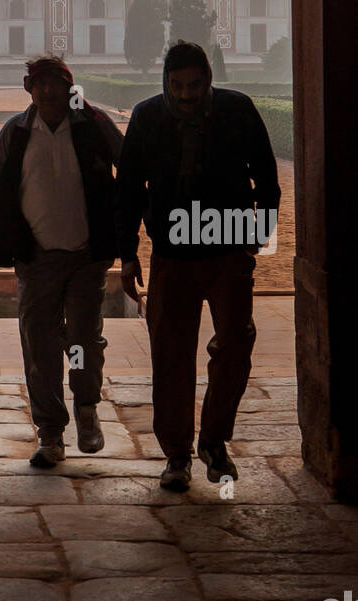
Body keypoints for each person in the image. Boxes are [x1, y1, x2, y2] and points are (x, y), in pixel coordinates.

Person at [116, 40, 281, 492]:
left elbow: (266, 176)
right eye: (177, 86)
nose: (186, 94)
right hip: (172, 255)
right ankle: (176, 455)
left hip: (227, 250)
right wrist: (128, 253)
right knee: (171, 354)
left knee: (234, 344)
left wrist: (255, 238)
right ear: (166, 83)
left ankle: (212, 440)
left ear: (208, 80)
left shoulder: (237, 109)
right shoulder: (149, 116)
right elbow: (129, 187)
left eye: (194, 85)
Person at [0, 55, 124, 468]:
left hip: (85, 257)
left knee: (81, 338)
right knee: (40, 346)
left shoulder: (92, 125)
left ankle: (85, 408)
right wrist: (11, 219)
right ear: (29, 88)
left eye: (54, 84)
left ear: (68, 87)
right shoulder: (18, 130)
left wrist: (113, 218)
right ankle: (50, 433)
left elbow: (128, 165)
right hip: (37, 258)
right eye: (39, 84)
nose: (47, 92)